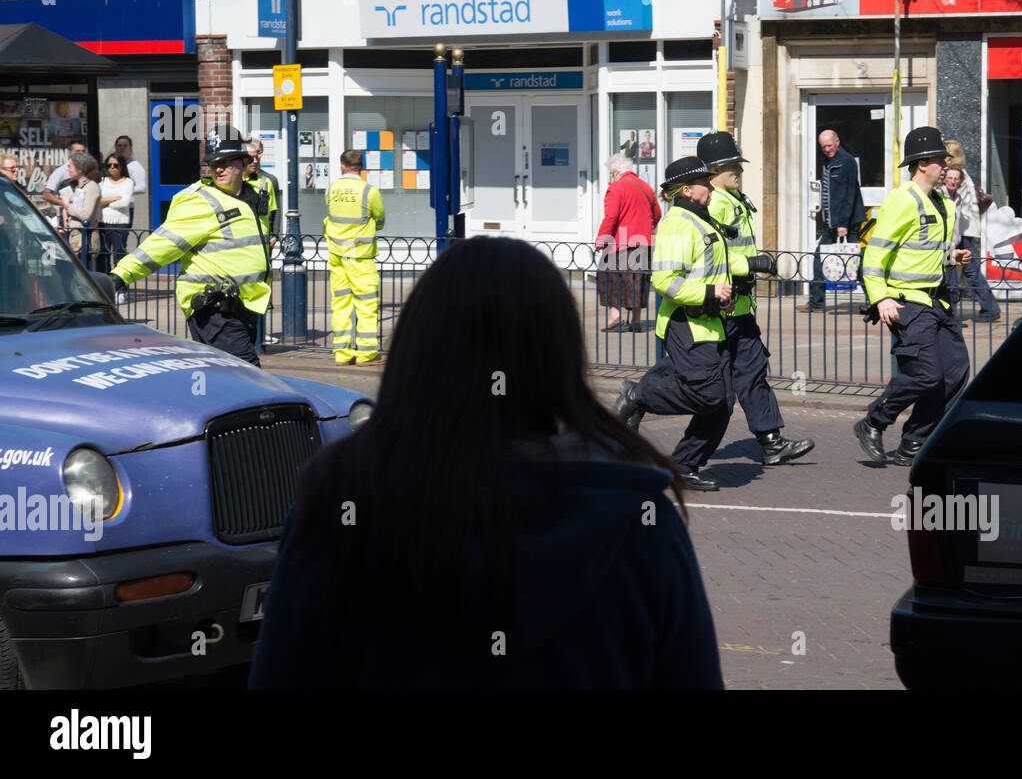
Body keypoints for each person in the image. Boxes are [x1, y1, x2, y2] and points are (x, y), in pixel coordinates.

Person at [248, 237, 723, 689]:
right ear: (558, 358)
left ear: (417, 351)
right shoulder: (638, 520)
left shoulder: (342, 499)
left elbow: (282, 673)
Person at [612, 157, 751, 491]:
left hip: (710, 322)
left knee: (723, 402)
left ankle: (684, 466)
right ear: (687, 190)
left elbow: (711, 266)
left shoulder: (700, 218)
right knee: (709, 396)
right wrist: (708, 291)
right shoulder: (678, 222)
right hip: (685, 324)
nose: (710, 186)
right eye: (704, 182)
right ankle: (639, 395)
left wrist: (734, 281)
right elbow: (665, 281)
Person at [855, 127, 972, 468]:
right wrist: (881, 299)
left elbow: (925, 252)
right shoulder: (901, 200)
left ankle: (914, 441)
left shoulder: (940, 202)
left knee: (954, 371)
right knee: (925, 374)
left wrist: (954, 259)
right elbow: (874, 257)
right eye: (940, 159)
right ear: (923, 164)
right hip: (906, 302)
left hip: (939, 301)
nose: (945, 164)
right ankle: (874, 422)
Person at [109, 125, 272, 367]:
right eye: (213, 162)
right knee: (247, 376)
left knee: (224, 381)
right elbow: (163, 244)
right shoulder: (200, 200)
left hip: (246, 306)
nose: (218, 168)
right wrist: (119, 276)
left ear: (243, 162)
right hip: (215, 309)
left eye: (226, 161)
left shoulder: (255, 195)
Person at [698, 131, 815, 466]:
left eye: (738, 162)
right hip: (719, 307)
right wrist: (748, 265)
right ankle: (639, 397)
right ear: (713, 170)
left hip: (741, 305)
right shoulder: (715, 203)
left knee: (752, 371)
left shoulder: (733, 199)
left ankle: (771, 442)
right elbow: (710, 256)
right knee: (696, 381)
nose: (739, 169)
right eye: (731, 164)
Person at [324, 149, 385, 365]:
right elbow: (380, 219)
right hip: (360, 257)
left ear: (342, 165)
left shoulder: (332, 189)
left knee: (340, 303)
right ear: (362, 166)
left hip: (336, 255)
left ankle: (342, 353)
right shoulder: (369, 191)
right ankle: (366, 353)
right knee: (366, 304)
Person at [801, 129, 867, 311]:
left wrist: (842, 224)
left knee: (855, 261)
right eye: (823, 147)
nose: (827, 149)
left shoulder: (846, 162)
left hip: (845, 223)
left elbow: (847, 195)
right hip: (832, 222)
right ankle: (816, 302)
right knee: (818, 258)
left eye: (829, 145)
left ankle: (874, 300)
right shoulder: (828, 161)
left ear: (837, 143)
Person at [595, 153, 660, 332]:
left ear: (615, 172)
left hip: (620, 243)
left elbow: (611, 217)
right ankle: (637, 321)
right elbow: (657, 214)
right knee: (638, 281)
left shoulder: (616, 188)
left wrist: (602, 240)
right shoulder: (646, 187)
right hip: (644, 242)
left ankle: (615, 316)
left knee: (609, 277)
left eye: (611, 173)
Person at [942, 142, 1000, 323]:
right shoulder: (960, 174)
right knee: (967, 269)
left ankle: (987, 308)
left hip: (959, 231)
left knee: (962, 269)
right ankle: (989, 307)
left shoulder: (954, 176)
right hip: (962, 230)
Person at [244, 138, 282, 345]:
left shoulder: (268, 181)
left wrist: (275, 233)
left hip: (263, 243)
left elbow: (274, 210)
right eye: (251, 157)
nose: (256, 160)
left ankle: (262, 332)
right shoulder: (236, 183)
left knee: (262, 287)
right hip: (243, 245)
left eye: (258, 155)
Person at [98, 153, 134, 296]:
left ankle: (121, 289)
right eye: (109, 165)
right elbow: (96, 201)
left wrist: (105, 202)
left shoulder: (128, 182)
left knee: (119, 256)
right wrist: (114, 199)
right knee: (103, 256)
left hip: (120, 224)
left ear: (121, 167)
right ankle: (105, 289)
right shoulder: (102, 181)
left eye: (115, 165)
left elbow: (125, 203)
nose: (112, 168)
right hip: (102, 222)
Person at [58, 151, 102, 265]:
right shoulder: (79, 187)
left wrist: (67, 205)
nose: (68, 169)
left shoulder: (91, 186)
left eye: (70, 166)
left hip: (86, 242)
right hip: (76, 239)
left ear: (80, 169)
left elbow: (85, 215)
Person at [41, 140, 87, 222]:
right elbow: (46, 195)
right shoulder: (61, 171)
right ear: (69, 153)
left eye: (83, 151)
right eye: (77, 151)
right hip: (68, 217)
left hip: (86, 214)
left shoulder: (89, 170)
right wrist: (64, 203)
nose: (81, 154)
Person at [112, 135, 148, 227]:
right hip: (109, 208)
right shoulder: (111, 165)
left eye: (125, 146)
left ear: (130, 149)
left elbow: (142, 187)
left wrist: (122, 190)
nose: (122, 148)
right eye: (119, 145)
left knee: (120, 238)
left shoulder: (135, 166)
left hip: (125, 209)